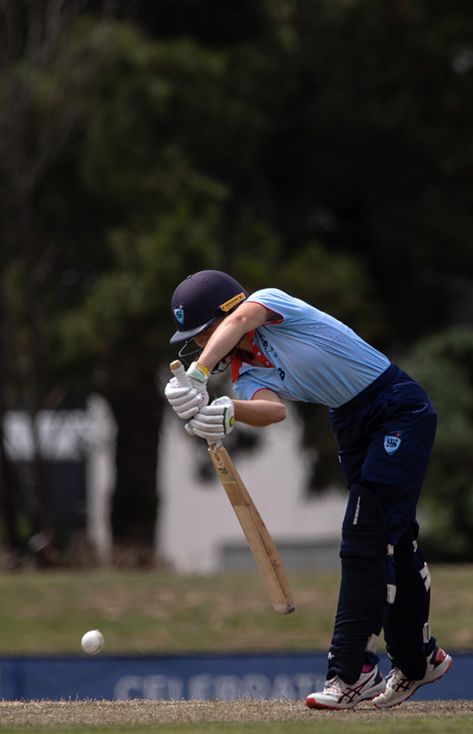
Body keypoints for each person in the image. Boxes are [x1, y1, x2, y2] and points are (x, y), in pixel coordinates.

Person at [163, 269, 452, 710]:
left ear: (223, 316)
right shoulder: (243, 369)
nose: (200, 346)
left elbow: (241, 320)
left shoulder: (269, 304)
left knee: (364, 537)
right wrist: (225, 411)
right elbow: (270, 411)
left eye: (202, 334)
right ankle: (418, 662)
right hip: (351, 424)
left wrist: (200, 376)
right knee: (393, 539)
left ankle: (352, 672)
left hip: (396, 407)